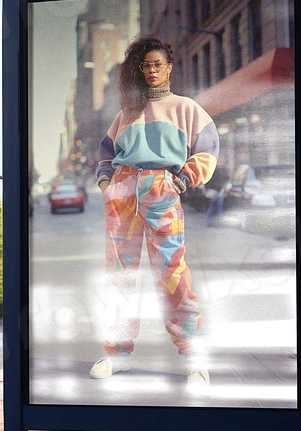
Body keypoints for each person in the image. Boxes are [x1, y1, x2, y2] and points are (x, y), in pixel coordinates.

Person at [90, 35, 219, 388]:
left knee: (172, 271)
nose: (151, 71)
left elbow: (207, 150)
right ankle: (116, 352)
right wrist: (107, 183)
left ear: (169, 68)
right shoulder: (127, 112)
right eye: (145, 65)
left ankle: (194, 353)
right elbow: (105, 150)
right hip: (123, 192)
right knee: (118, 273)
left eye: (157, 64)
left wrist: (181, 181)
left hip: (162, 189)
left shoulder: (187, 108)